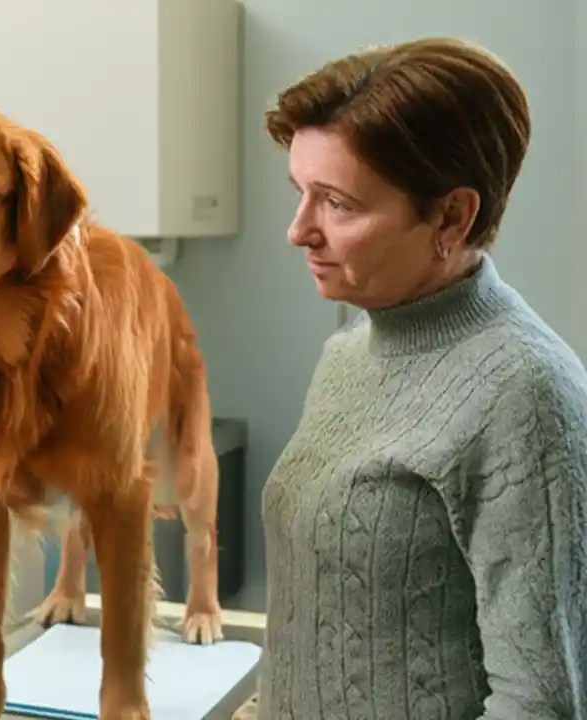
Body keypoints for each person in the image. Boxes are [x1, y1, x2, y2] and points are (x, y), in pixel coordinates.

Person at [244, 37, 587, 719]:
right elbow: (318, 622)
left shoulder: (525, 392)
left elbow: (540, 703)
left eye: (336, 203)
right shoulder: (347, 352)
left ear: (452, 216)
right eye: (300, 193)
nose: (298, 230)